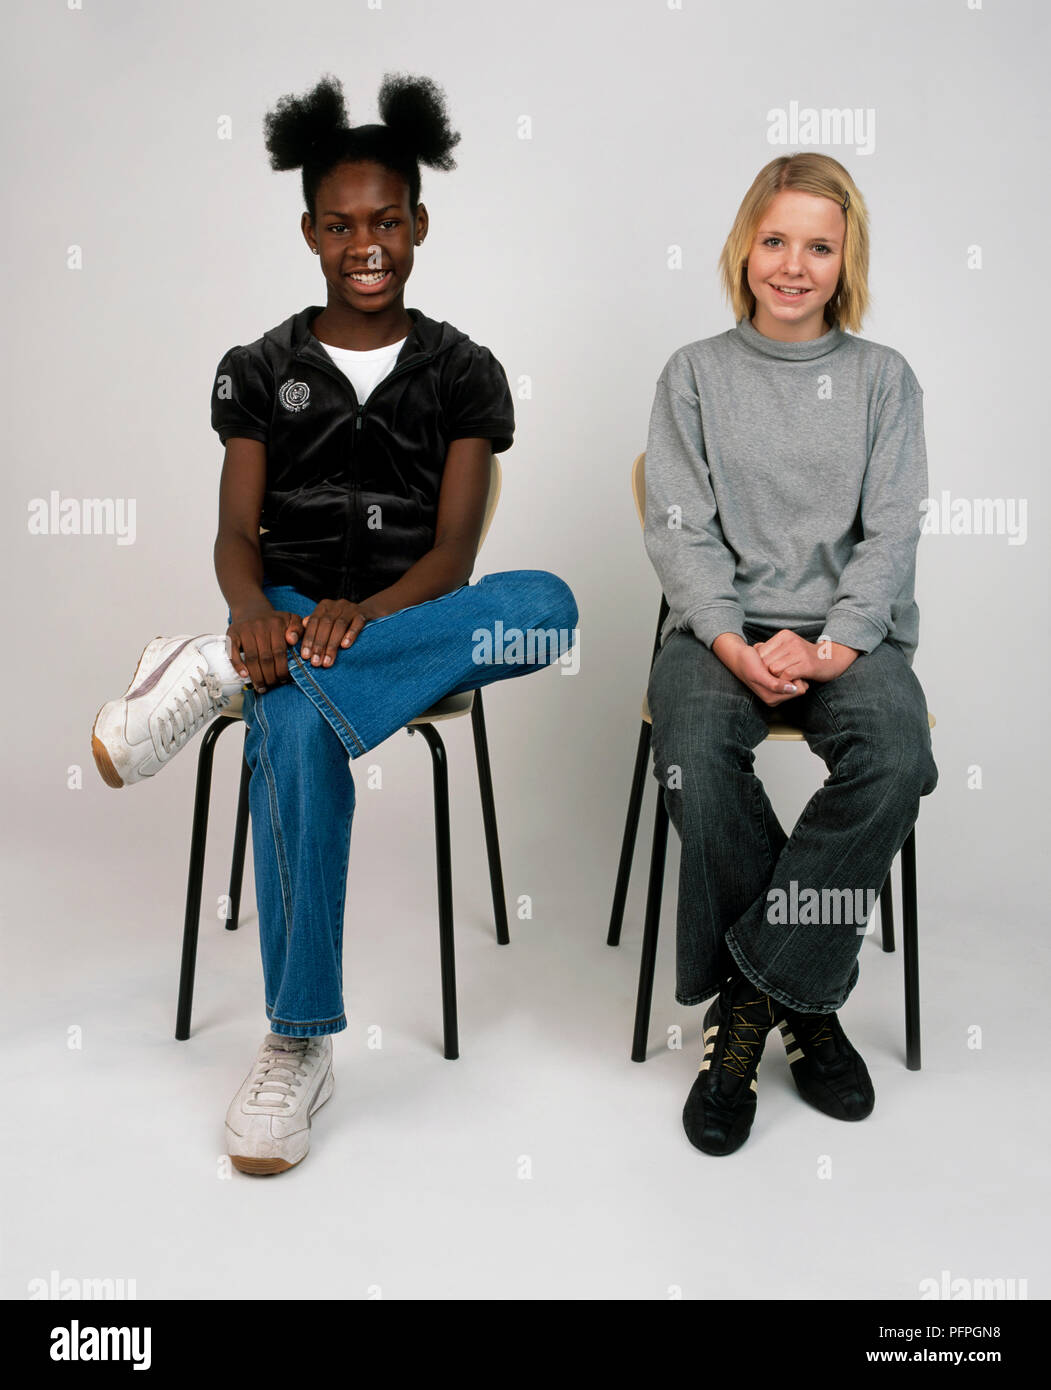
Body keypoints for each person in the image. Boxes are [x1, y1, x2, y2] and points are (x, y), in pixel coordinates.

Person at [91, 72, 578, 1176]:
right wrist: (257, 614)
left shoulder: (463, 372)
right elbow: (234, 535)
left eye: (388, 220)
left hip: (405, 620)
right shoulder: (260, 369)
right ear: (310, 231)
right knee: (302, 732)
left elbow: (455, 558)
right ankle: (298, 1040)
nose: (368, 243)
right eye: (343, 224)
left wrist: (366, 619)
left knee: (548, 608)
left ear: (419, 223)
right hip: (288, 607)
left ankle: (220, 672)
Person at [643, 153, 938, 1157]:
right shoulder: (693, 373)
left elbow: (891, 535)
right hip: (716, 627)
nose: (793, 264)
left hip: (848, 636)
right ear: (744, 246)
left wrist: (828, 647)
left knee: (897, 755)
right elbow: (678, 532)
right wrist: (730, 639)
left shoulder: (882, 380)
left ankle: (752, 996)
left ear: (844, 257)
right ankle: (809, 1006)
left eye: (818, 244)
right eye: (775, 239)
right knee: (689, 743)